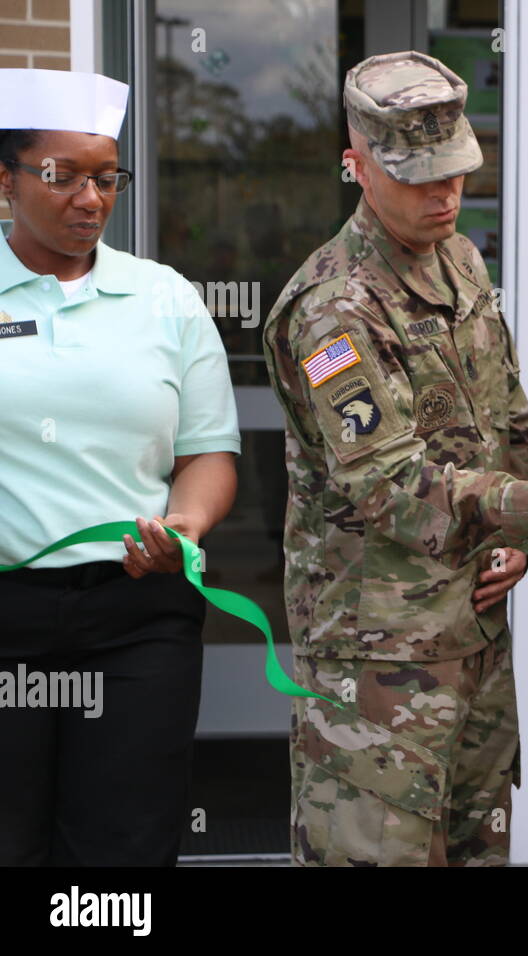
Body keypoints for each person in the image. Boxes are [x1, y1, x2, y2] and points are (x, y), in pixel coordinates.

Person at [262, 51, 528, 867]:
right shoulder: (335, 308)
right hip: (377, 660)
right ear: (356, 166)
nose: (444, 195)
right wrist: (520, 503)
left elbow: (506, 417)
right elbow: (384, 482)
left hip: (470, 632)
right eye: (419, 177)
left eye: (456, 173)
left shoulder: (460, 261)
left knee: (477, 849)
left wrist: (518, 540)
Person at [0, 69, 240, 865]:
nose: (90, 200)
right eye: (61, 177)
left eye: (106, 179)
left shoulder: (164, 298)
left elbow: (209, 451)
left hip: (138, 619)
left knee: (124, 844)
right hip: (6, 615)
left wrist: (186, 524)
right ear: (6, 179)